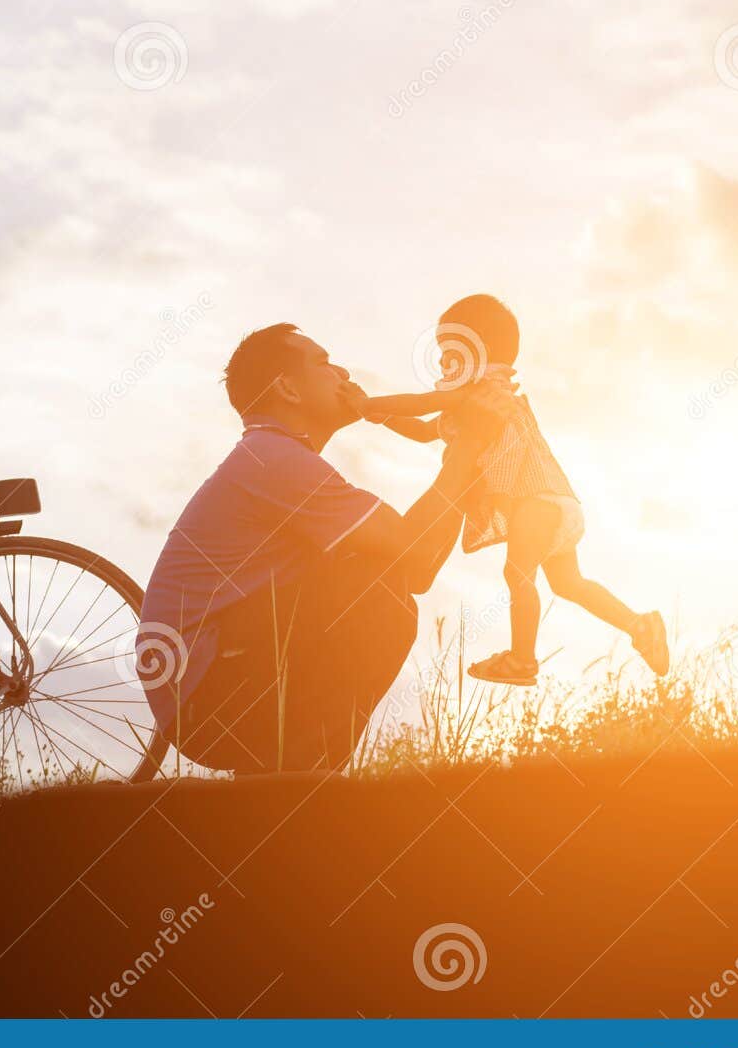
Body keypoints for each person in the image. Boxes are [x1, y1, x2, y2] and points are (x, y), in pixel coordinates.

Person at [136, 323, 510, 773]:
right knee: (375, 593)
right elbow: (411, 551)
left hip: (209, 689)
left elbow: (417, 569)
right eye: (324, 362)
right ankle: (299, 780)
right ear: (288, 390)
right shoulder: (274, 460)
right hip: (206, 697)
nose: (343, 372)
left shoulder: (277, 457)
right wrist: (468, 446)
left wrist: (464, 457)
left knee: (378, 580)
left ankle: (295, 779)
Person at [358, 293, 669, 686]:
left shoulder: (484, 390)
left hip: (536, 502)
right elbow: (422, 431)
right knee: (569, 584)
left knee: (517, 573)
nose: (440, 361)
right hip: (559, 505)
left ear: (478, 351)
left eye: (448, 350)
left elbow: (422, 404)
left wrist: (367, 404)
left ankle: (522, 659)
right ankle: (638, 624)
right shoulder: (476, 402)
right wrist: (377, 417)